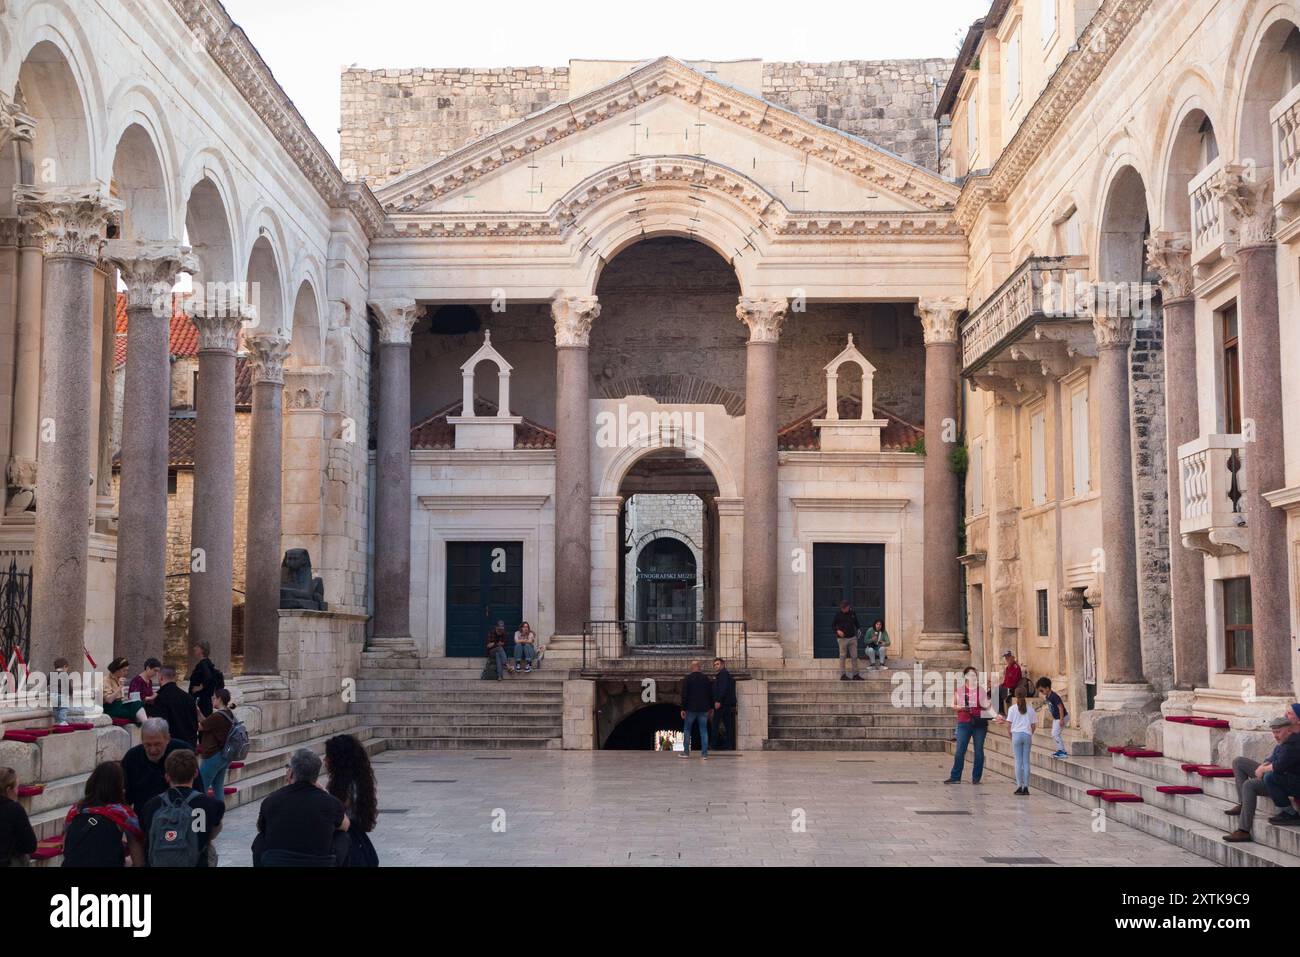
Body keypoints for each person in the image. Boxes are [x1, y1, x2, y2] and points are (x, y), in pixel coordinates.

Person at [252, 748, 349, 867]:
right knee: (343, 837)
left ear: (292, 772)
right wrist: (324, 792)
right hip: (319, 863)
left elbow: (261, 827)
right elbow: (345, 825)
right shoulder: (331, 802)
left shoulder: (272, 799)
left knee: (260, 839)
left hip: (278, 862)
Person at [139, 748, 224, 867]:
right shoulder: (212, 804)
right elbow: (214, 832)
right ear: (195, 773)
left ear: (167, 776)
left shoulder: (151, 806)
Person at [1224, 717, 1299, 842]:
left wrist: (1263, 769)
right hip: (1275, 778)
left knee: (1250, 784)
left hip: (1285, 783)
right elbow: (1272, 758)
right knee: (1239, 762)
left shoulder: (1294, 744)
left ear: (1289, 730)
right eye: (1274, 732)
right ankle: (1244, 804)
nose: (1275, 736)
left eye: (1278, 732)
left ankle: (1243, 831)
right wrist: (1264, 765)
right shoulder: (1284, 742)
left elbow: (1280, 766)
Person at [61, 761, 145, 867]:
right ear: (119, 786)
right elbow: (139, 860)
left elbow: (66, 846)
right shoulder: (123, 813)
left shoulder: (76, 810)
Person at [324, 734, 379, 867]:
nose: (325, 760)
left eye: (328, 756)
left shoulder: (347, 786)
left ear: (338, 760)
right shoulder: (358, 780)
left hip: (347, 838)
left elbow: (336, 811)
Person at [122, 717, 193, 819]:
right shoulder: (132, 758)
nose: (152, 750)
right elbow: (125, 797)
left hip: (179, 822)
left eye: (157, 744)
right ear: (142, 740)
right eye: (147, 744)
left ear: (168, 739)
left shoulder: (183, 752)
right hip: (144, 822)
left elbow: (197, 790)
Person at [946, 666, 991, 784]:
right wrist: (962, 707)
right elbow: (952, 705)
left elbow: (987, 705)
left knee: (979, 751)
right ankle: (955, 776)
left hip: (979, 724)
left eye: (975, 675)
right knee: (960, 750)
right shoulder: (960, 691)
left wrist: (991, 708)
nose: (974, 677)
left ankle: (976, 778)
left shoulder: (980, 690)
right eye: (972, 675)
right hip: (964, 723)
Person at [198, 688, 237, 804]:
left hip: (212, 756)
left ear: (219, 699)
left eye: (214, 697)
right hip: (224, 756)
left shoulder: (218, 716)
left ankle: (202, 815)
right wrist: (198, 712)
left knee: (201, 787)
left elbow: (200, 727)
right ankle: (219, 815)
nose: (212, 700)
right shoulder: (228, 714)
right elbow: (207, 723)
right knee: (218, 788)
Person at [998, 685, 1036, 795]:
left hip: (1016, 735)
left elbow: (1008, 725)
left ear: (1015, 695)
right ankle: (1026, 787)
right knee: (1026, 762)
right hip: (1027, 735)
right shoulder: (1030, 709)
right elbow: (1033, 725)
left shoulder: (1012, 709)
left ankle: (1019, 786)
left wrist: (1011, 736)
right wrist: (1029, 734)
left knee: (1018, 762)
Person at [151, 666, 201, 747]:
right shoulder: (188, 698)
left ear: (161, 678)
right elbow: (195, 724)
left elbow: (161, 727)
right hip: (190, 746)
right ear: (174, 678)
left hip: (172, 748)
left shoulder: (161, 698)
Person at [0, 766, 37, 867]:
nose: (17, 792)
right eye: (16, 787)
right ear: (8, 790)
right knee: (23, 857)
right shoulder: (14, 809)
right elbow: (30, 845)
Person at [679, 660, 713, 759]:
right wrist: (711, 707)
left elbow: (684, 694)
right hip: (704, 709)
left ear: (693, 667)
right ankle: (704, 754)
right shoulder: (706, 679)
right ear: (699, 667)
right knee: (703, 731)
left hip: (690, 709)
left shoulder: (688, 679)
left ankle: (686, 753)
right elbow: (710, 694)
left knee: (687, 730)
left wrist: (683, 708)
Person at [103, 657, 147, 725]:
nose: (126, 673)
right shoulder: (106, 680)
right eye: (124, 670)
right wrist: (120, 687)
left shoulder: (119, 679)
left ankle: (146, 724)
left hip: (120, 706)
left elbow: (120, 698)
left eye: (127, 670)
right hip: (111, 709)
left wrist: (127, 699)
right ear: (117, 670)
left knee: (138, 703)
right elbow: (109, 700)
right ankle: (147, 725)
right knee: (135, 707)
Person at [1035, 676, 1069, 758]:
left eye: (1041, 690)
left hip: (1062, 717)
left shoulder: (1054, 696)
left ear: (1047, 688)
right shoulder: (1048, 696)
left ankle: (1062, 751)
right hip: (1056, 718)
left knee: (1055, 734)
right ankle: (1060, 750)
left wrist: (1061, 719)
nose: (1041, 692)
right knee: (1054, 734)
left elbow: (1060, 707)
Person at [187, 640, 223, 717]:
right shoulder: (207, 662)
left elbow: (208, 677)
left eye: (197, 647)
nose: (194, 648)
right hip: (205, 700)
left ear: (202, 650)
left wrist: (200, 687)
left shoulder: (203, 664)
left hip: (201, 701)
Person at [832, 599, 863, 682]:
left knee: (854, 656)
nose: (843, 609)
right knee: (842, 656)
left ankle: (855, 675)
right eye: (842, 608)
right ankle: (842, 675)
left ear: (848, 607)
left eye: (844, 608)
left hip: (852, 638)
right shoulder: (838, 614)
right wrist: (837, 631)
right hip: (842, 639)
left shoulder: (852, 613)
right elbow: (833, 625)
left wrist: (859, 629)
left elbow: (857, 623)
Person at [711, 657, 737, 751]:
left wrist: (718, 701)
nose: (716, 666)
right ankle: (728, 745)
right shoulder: (722, 674)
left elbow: (723, 689)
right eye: (714, 665)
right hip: (724, 704)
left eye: (717, 664)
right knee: (727, 725)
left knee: (716, 724)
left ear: (722, 665)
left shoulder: (723, 674)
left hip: (722, 704)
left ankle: (715, 745)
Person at [998, 650, 1022, 715]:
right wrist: (1001, 685)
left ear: (1013, 657)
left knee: (998, 691)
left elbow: (1015, 682)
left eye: (1008, 657)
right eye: (1006, 658)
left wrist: (1005, 687)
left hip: (1012, 689)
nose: (1007, 659)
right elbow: (1006, 681)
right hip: (1006, 687)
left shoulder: (1016, 667)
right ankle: (1000, 712)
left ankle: (1001, 712)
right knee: (994, 690)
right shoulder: (1008, 668)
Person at [50, 657, 72, 726]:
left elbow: (45, 683)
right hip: (62, 695)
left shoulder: (51, 674)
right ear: (65, 666)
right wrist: (71, 693)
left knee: (55, 709)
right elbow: (68, 685)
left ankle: (57, 721)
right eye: (67, 668)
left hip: (53, 695)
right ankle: (62, 721)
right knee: (63, 708)